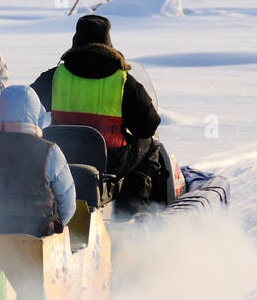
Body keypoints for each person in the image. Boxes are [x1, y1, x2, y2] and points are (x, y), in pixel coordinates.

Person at [31, 14, 164, 203]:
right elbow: (148, 127)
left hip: (60, 157)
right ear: (108, 43)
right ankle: (136, 205)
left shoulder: (54, 77)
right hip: (111, 163)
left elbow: (26, 107)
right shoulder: (123, 82)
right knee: (151, 145)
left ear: (75, 40)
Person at [0, 85, 76, 237]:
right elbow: (68, 202)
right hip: (39, 233)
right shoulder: (50, 151)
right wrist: (57, 228)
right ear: (36, 113)